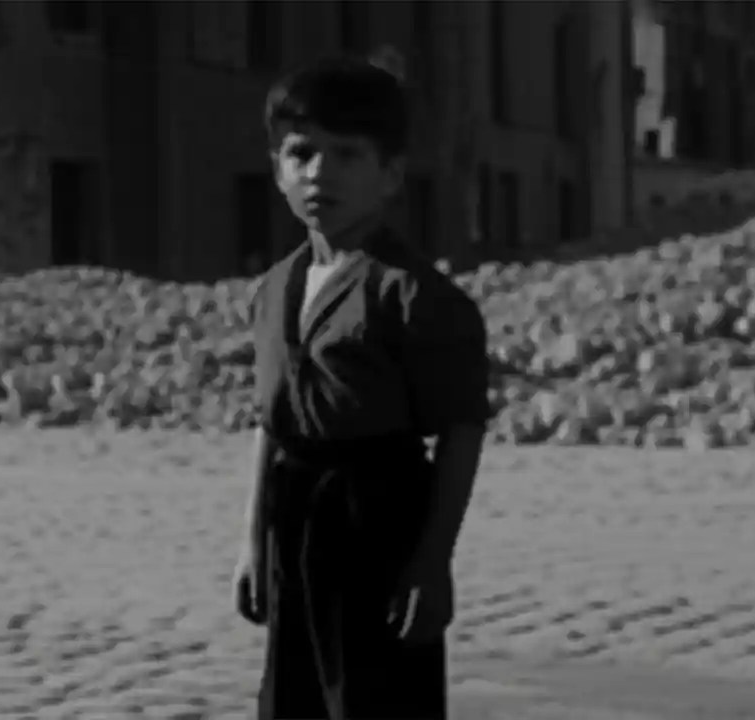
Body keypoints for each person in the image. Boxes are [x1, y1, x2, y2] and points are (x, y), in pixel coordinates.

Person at [230, 53, 491, 720]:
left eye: (346, 155)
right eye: (301, 153)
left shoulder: (417, 296)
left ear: (391, 175)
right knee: (294, 696)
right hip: (295, 507)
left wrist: (434, 562)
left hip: (378, 513)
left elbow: (460, 431)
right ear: (277, 167)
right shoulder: (272, 289)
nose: (320, 173)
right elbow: (271, 424)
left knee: (376, 698)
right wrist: (253, 542)